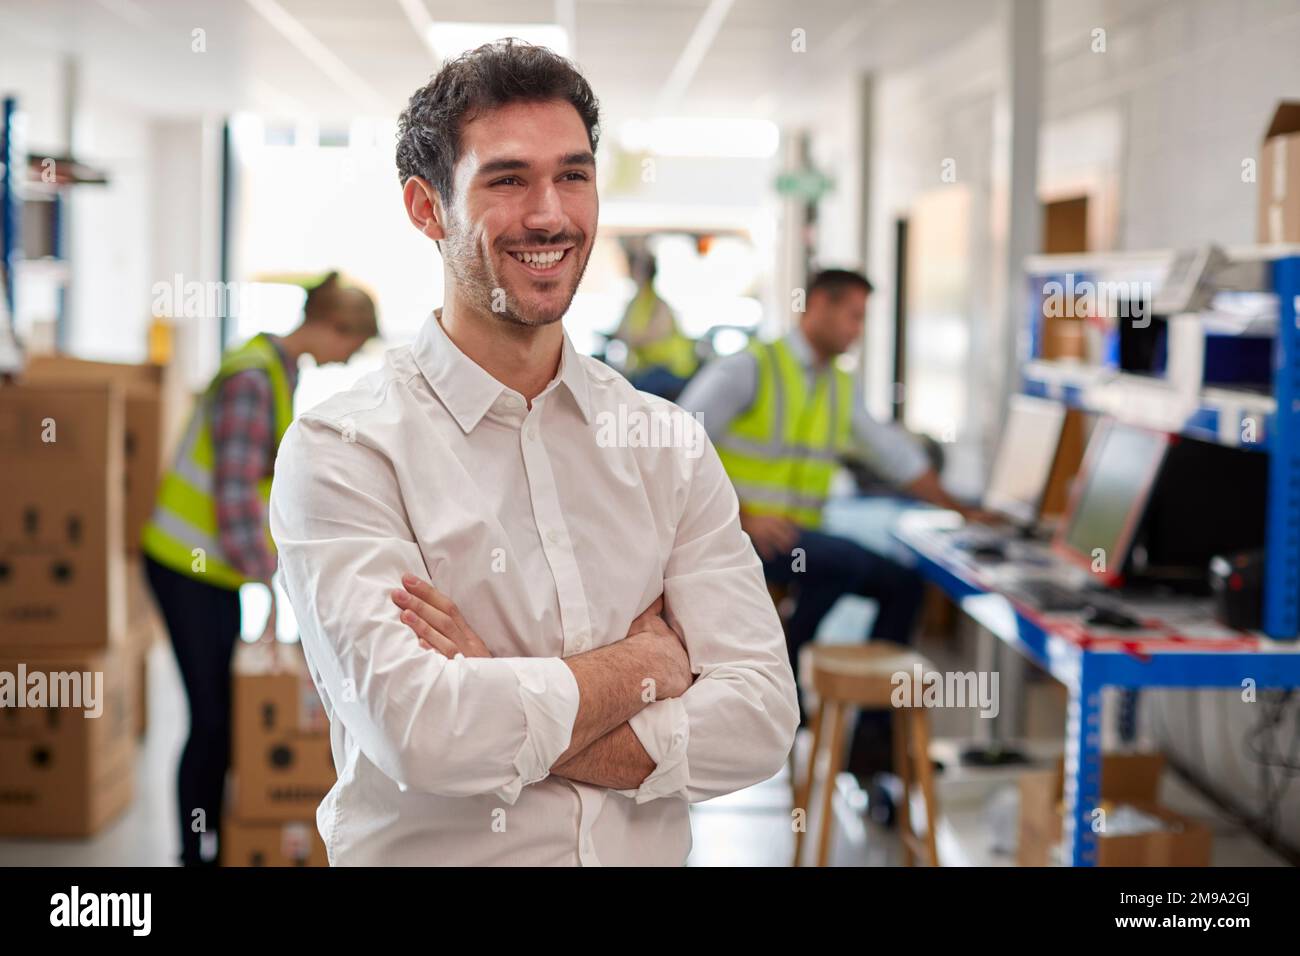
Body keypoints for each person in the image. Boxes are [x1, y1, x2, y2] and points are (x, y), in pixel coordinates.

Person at [268, 39, 798, 867]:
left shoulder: (664, 442)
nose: (550, 214)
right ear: (426, 207)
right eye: (507, 179)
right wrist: (641, 665)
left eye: (574, 175)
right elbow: (425, 735)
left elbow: (761, 719)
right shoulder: (344, 451)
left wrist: (498, 681)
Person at [678, 268, 987, 787]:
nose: (857, 331)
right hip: (733, 537)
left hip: (795, 538)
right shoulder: (751, 369)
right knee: (843, 562)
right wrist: (743, 515)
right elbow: (675, 442)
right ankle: (785, 681)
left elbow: (895, 457)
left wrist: (962, 509)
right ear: (817, 305)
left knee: (902, 582)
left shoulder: (838, 387)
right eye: (854, 316)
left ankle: (868, 744)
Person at [141, 272, 377, 866]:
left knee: (221, 711)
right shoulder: (254, 377)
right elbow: (233, 493)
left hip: (209, 568)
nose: (348, 357)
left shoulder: (280, 369)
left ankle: (222, 842)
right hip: (184, 563)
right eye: (353, 344)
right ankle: (193, 853)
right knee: (211, 717)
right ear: (335, 326)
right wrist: (270, 588)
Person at [610, 250, 697, 399]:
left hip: (672, 369)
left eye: (637, 269)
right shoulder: (635, 302)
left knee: (638, 393)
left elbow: (655, 334)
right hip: (648, 369)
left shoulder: (658, 304)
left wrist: (631, 339)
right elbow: (619, 331)